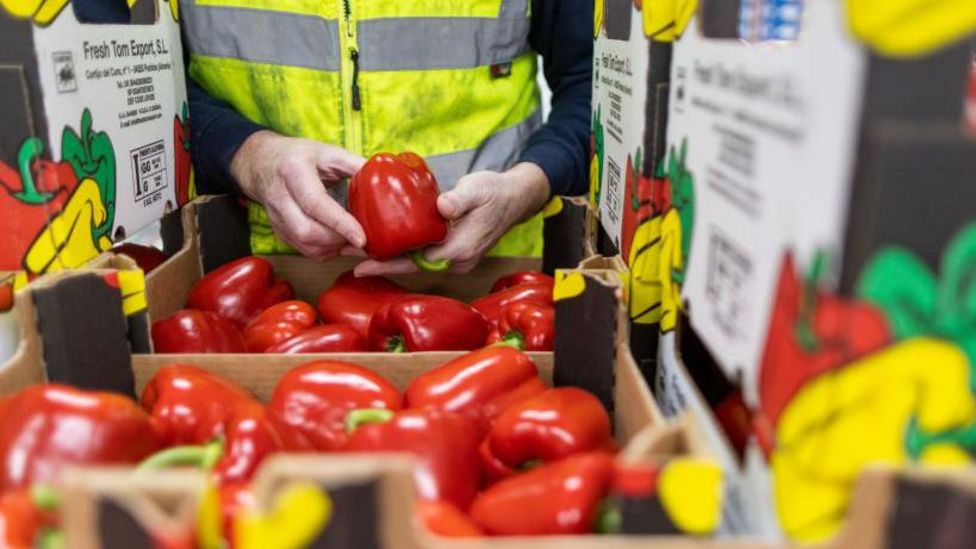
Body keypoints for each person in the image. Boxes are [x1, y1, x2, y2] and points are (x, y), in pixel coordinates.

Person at [183, 0, 592, 274]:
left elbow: (598, 78)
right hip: (243, 273)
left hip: (500, 271)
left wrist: (533, 181)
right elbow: (134, 82)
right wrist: (247, 153)